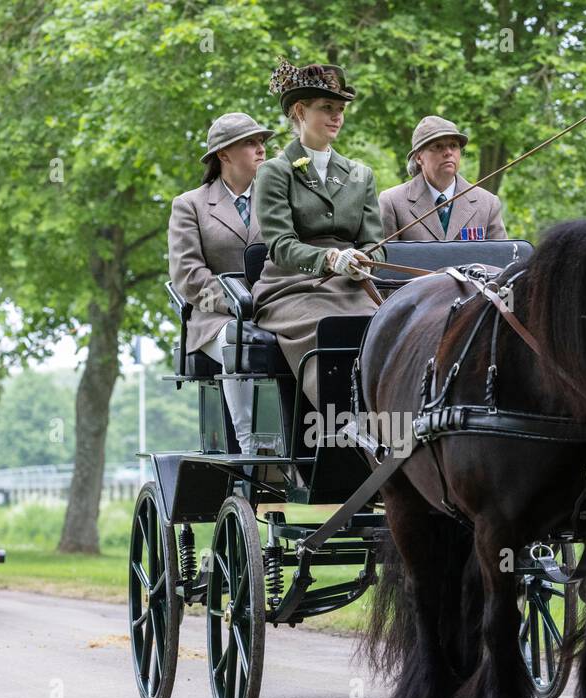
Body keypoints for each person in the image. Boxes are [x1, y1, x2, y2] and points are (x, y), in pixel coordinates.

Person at [252, 59, 385, 408]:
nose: (336, 116)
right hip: (293, 286)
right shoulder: (274, 172)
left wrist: (366, 260)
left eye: (340, 109)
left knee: (388, 326)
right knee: (331, 329)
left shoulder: (360, 175)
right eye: (327, 107)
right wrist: (328, 258)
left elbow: (375, 242)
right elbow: (280, 245)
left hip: (352, 286)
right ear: (300, 111)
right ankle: (337, 419)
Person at [168, 112, 276, 453]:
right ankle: (250, 446)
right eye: (250, 143)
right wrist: (239, 302)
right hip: (214, 319)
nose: (261, 149)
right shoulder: (190, 205)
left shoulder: (278, 201)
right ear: (224, 155)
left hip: (274, 309)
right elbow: (187, 275)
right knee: (237, 340)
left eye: (262, 142)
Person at [378, 115, 507, 242]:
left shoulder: (488, 204)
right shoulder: (392, 202)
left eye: (453, 146)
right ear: (419, 158)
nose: (448, 152)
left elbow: (501, 254)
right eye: (438, 146)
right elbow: (383, 254)